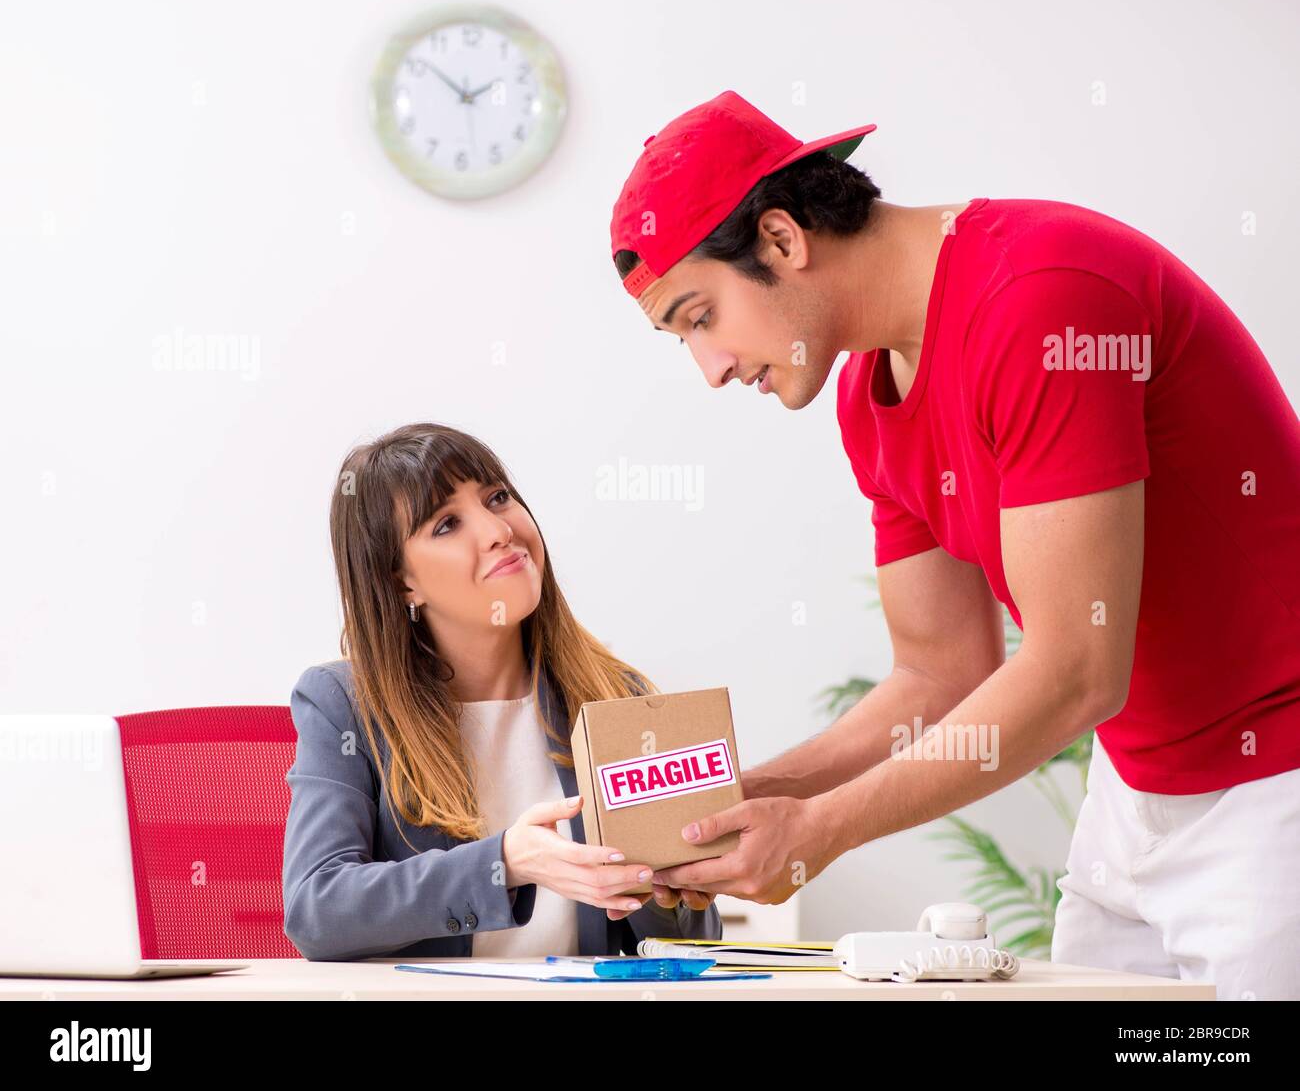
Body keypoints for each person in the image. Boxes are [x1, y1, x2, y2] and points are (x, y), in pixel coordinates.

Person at [606, 90, 1300, 999]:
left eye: (698, 317)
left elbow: (1077, 671)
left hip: (1274, 793)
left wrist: (824, 831)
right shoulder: (868, 397)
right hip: (1133, 798)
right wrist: (745, 801)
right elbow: (940, 672)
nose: (712, 369)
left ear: (781, 240)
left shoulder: (1039, 295)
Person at [282, 422, 721, 960]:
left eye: (498, 497)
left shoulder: (615, 695)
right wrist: (507, 861)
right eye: (446, 524)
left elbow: (695, 940)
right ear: (401, 582)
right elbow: (317, 910)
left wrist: (665, 887)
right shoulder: (343, 705)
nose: (497, 530)